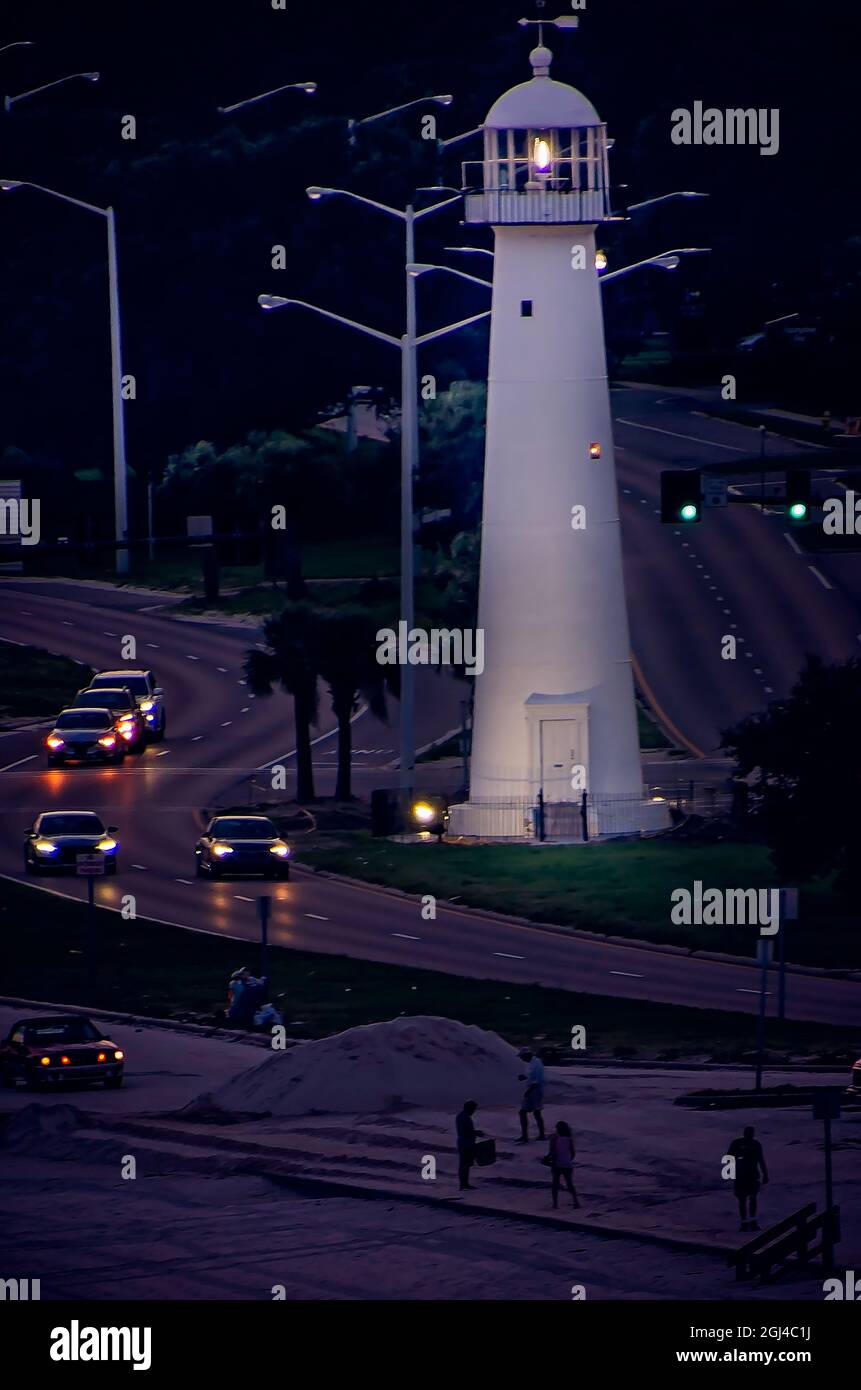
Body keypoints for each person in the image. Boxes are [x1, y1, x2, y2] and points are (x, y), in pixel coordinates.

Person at [728, 1125, 769, 1231]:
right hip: (746, 1175)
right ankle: (748, 1223)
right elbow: (761, 1160)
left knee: (747, 1199)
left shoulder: (740, 1143)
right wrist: (765, 1174)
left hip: (748, 1175)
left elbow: (729, 1158)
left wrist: (765, 1174)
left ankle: (748, 1223)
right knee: (748, 1199)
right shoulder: (752, 1144)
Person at [547, 1121, 579, 1210]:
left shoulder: (554, 1138)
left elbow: (552, 1152)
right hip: (567, 1164)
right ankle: (576, 1201)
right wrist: (568, 1160)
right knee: (570, 1184)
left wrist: (547, 1159)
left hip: (557, 1164)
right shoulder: (569, 1139)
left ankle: (555, 1204)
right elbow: (573, 1153)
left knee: (555, 1184)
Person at [516, 1047, 545, 1142]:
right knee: (522, 1112)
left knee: (537, 1113)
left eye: (522, 1057)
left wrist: (528, 1091)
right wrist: (523, 1077)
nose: (521, 1059)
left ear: (526, 1055)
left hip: (535, 1091)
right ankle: (525, 1136)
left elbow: (537, 1080)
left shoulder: (537, 1063)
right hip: (530, 1090)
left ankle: (541, 1135)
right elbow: (530, 1076)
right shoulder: (530, 1064)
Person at [455, 1100, 483, 1191]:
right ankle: (463, 1184)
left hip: (464, 1142)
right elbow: (466, 1132)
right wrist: (476, 1133)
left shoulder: (462, 1116)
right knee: (465, 1164)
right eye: (473, 1109)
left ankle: (464, 1184)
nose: (474, 1111)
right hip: (465, 1143)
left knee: (465, 1164)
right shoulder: (464, 1118)